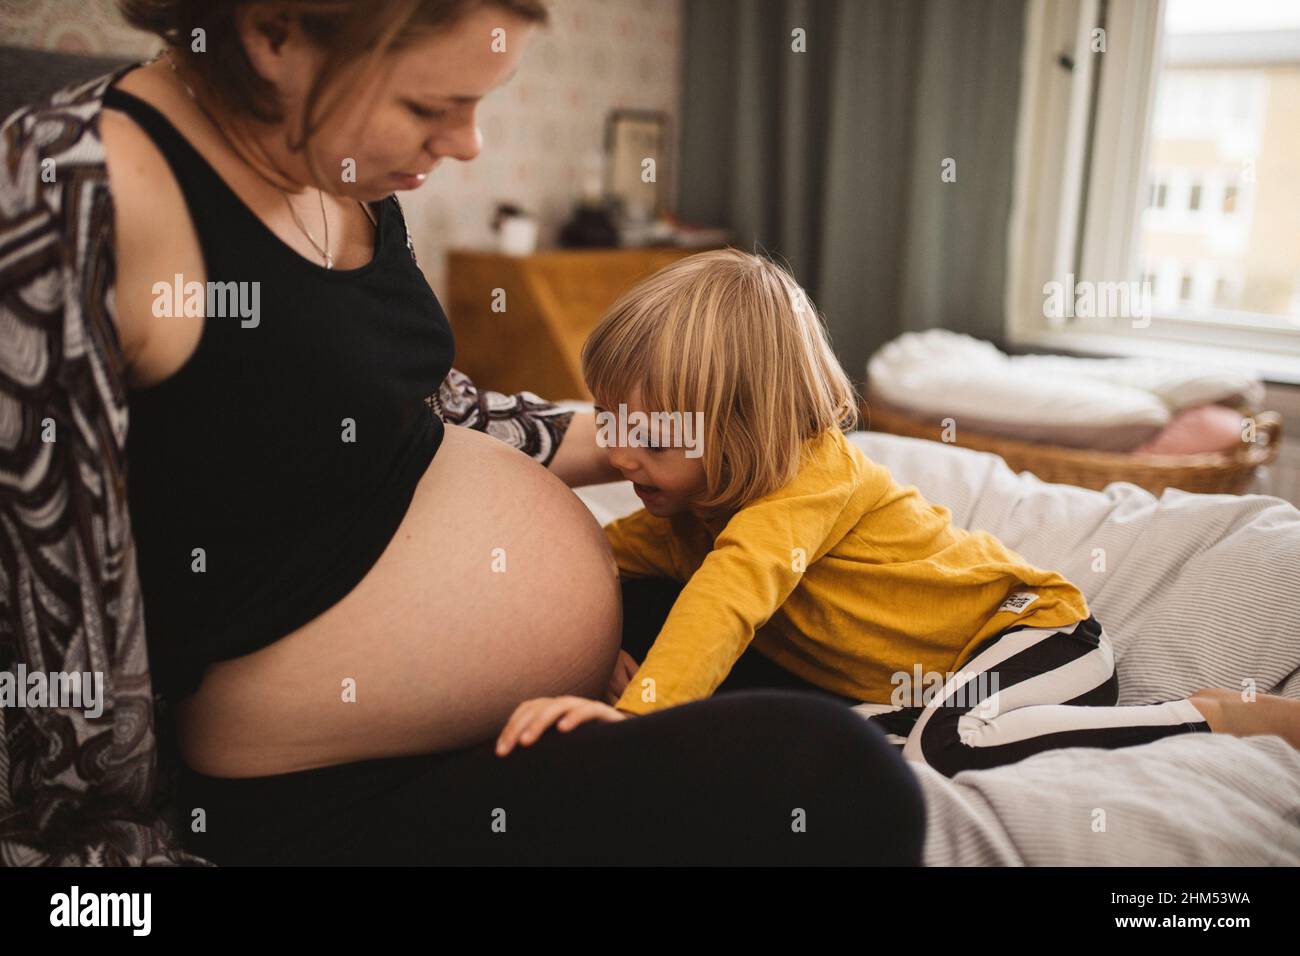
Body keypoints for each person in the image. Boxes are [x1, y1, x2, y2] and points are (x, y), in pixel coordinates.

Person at [0, 0, 925, 865]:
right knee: (840, 779)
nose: (470, 144)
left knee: (830, 616)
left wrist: (696, 440)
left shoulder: (344, 174)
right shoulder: (80, 191)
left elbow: (436, 413)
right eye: (430, 104)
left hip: (499, 705)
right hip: (324, 789)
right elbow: (46, 607)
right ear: (274, 34)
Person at [495, 249, 1300, 777]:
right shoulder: (685, 510)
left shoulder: (810, 480)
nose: (619, 457)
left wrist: (637, 721)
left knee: (946, 744)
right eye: (614, 425)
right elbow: (598, 555)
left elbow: (727, 599)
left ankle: (1209, 718)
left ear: (747, 429)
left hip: (1033, 636)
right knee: (856, 740)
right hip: (932, 685)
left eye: (651, 438)